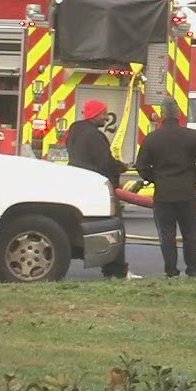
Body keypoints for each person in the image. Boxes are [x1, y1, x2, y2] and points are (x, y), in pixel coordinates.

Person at [134, 98, 196, 278]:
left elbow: (141, 166)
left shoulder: (152, 139)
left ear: (162, 115)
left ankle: (171, 271)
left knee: (167, 235)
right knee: (190, 234)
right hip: (187, 192)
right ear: (178, 114)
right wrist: (193, 178)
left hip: (163, 194)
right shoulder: (192, 137)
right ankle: (193, 270)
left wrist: (156, 179)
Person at [67, 99, 138, 280]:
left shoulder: (74, 133)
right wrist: (120, 167)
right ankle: (117, 271)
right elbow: (104, 162)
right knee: (115, 228)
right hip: (97, 188)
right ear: (95, 114)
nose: (106, 118)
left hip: (79, 186)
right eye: (104, 114)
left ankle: (111, 270)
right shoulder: (95, 136)